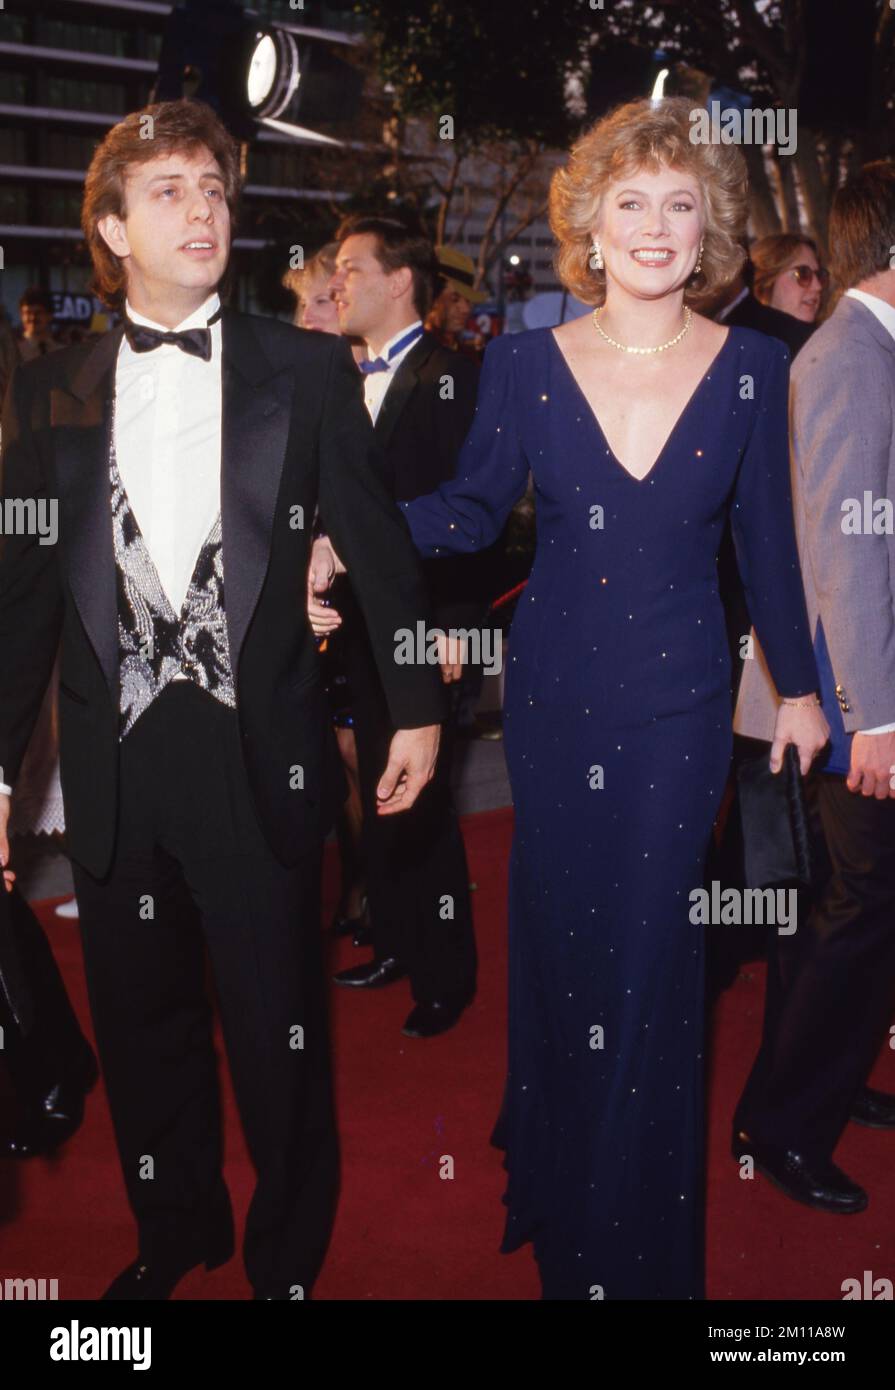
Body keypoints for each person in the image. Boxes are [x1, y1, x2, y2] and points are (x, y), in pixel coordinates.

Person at [319, 96, 828, 1298]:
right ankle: (558, 1159)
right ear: (591, 225)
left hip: (678, 700)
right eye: (630, 202)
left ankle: (628, 1232)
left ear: (707, 233)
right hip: (554, 695)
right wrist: (349, 531)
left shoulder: (754, 368)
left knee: (654, 956)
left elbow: (767, 547)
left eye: (679, 205)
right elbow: (469, 510)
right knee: (561, 935)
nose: (655, 225)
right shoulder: (524, 364)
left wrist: (802, 693)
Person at [0, 97, 445, 1301]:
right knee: (143, 1035)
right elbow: (24, 601)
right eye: (167, 192)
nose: (201, 209)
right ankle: (174, 1223)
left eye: (212, 187)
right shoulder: (48, 390)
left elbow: (379, 542)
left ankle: (285, 1257)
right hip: (114, 766)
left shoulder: (303, 368)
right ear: (110, 226)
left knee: (277, 1034)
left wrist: (414, 702)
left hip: (262, 760)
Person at [733, 160, 895, 1213]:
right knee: (857, 908)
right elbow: (846, 551)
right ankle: (785, 1123)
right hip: (848, 705)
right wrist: (874, 717)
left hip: (852, 695)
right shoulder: (846, 357)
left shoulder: (862, 350)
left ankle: (808, 1090)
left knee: (840, 912)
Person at [311, 215, 481, 1039]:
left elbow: (474, 515)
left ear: (398, 280)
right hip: (356, 630)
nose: (336, 284)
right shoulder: (336, 381)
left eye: (350, 268)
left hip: (429, 632)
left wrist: (455, 625)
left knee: (428, 807)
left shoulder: (454, 377)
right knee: (377, 792)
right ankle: (395, 941)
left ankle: (448, 974)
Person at [285, 243, 369, 941]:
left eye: (320, 301)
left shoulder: (367, 383)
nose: (306, 316)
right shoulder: (292, 383)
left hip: (358, 605)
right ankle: (347, 888)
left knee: (350, 754)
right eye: (301, 303)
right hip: (300, 599)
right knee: (319, 756)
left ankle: (369, 890)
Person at [751, 232, 828, 325]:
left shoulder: (830, 336)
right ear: (767, 280)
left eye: (819, 275)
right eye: (803, 274)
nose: (818, 286)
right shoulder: (741, 337)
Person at [426, 246, 488, 359]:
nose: (466, 309)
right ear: (432, 299)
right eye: (455, 299)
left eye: (468, 300)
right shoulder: (414, 355)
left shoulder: (467, 357)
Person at [16, 288, 61, 363]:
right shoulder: (14, 352)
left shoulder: (62, 351)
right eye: (28, 313)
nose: (33, 318)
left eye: (38, 313)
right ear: (21, 316)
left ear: (50, 315)